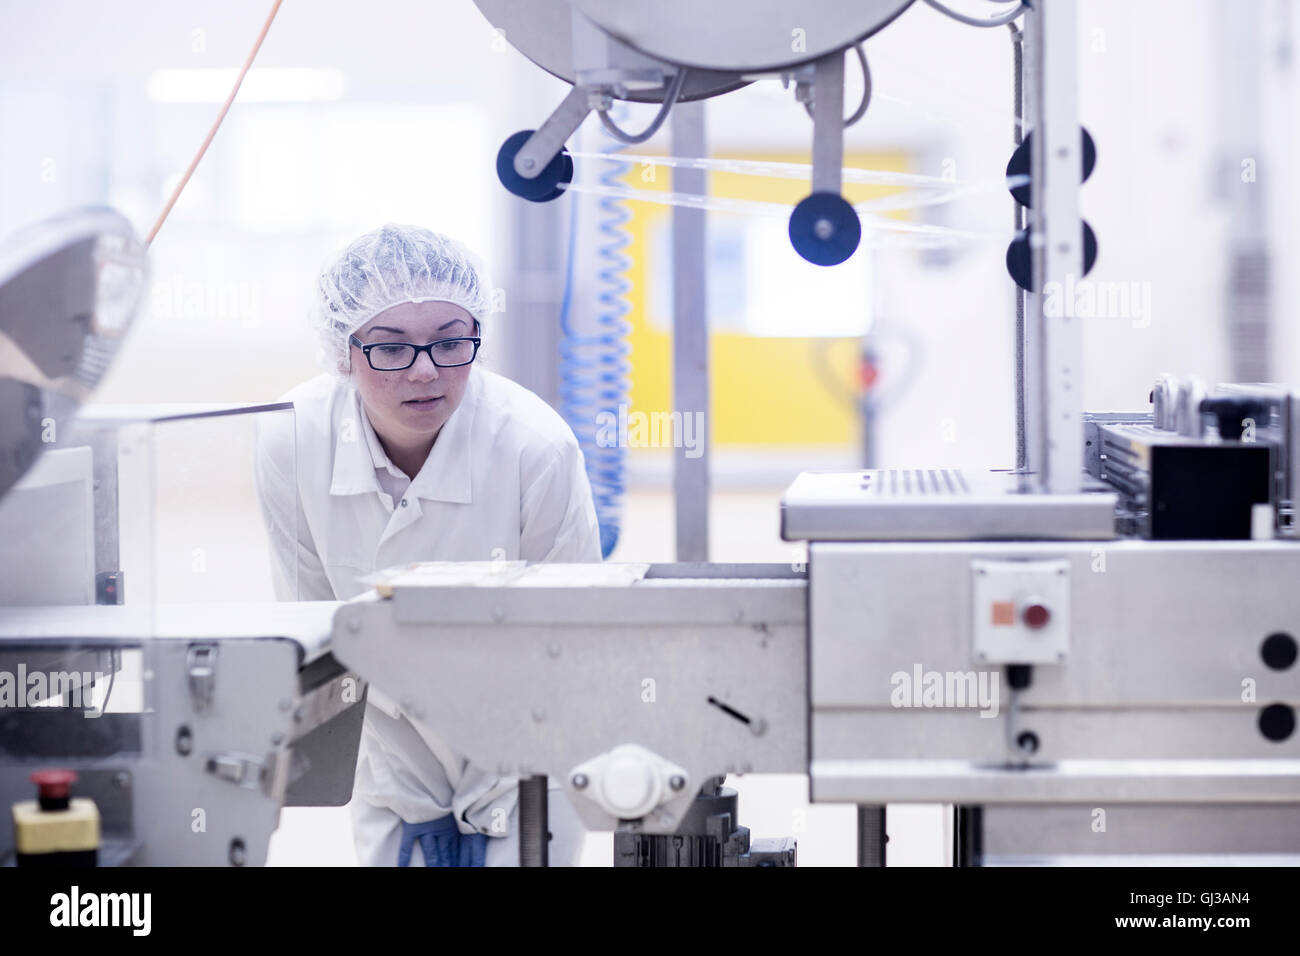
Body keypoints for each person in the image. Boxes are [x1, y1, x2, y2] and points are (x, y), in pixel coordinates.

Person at [253, 223, 601, 866]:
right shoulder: (292, 436)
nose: (424, 372)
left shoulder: (536, 448)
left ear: (478, 338)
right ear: (342, 350)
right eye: (390, 348)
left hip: (528, 743)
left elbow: (574, 639)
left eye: (450, 343)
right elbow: (309, 620)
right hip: (387, 749)